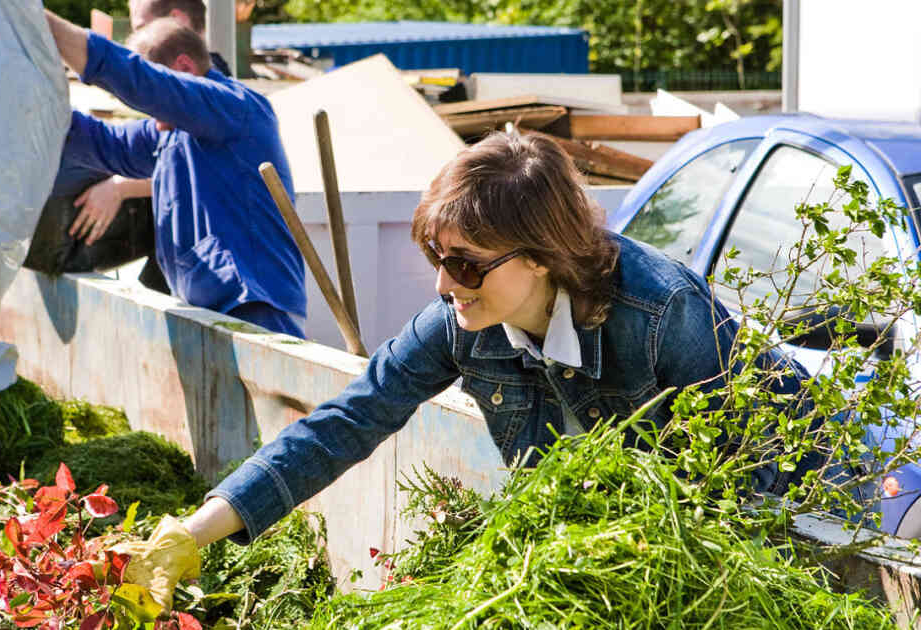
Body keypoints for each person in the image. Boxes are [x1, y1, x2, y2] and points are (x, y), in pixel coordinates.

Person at [109, 131, 822, 610]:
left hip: (803, 493)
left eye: (465, 263)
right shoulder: (463, 325)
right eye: (437, 259)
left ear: (541, 255)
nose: (444, 286)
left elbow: (746, 478)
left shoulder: (662, 311)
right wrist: (193, 532)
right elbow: (345, 423)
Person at [46, 11, 307, 338]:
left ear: (184, 69)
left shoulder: (236, 108)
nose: (151, 117)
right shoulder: (167, 134)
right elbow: (100, 143)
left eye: (153, 104)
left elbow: (140, 80)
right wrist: (36, 101)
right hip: (207, 314)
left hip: (253, 313)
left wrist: (37, 19)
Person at [66, 0, 233, 251]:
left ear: (178, 20)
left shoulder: (208, 95)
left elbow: (186, 160)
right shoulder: (196, 91)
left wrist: (120, 187)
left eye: (142, 28)